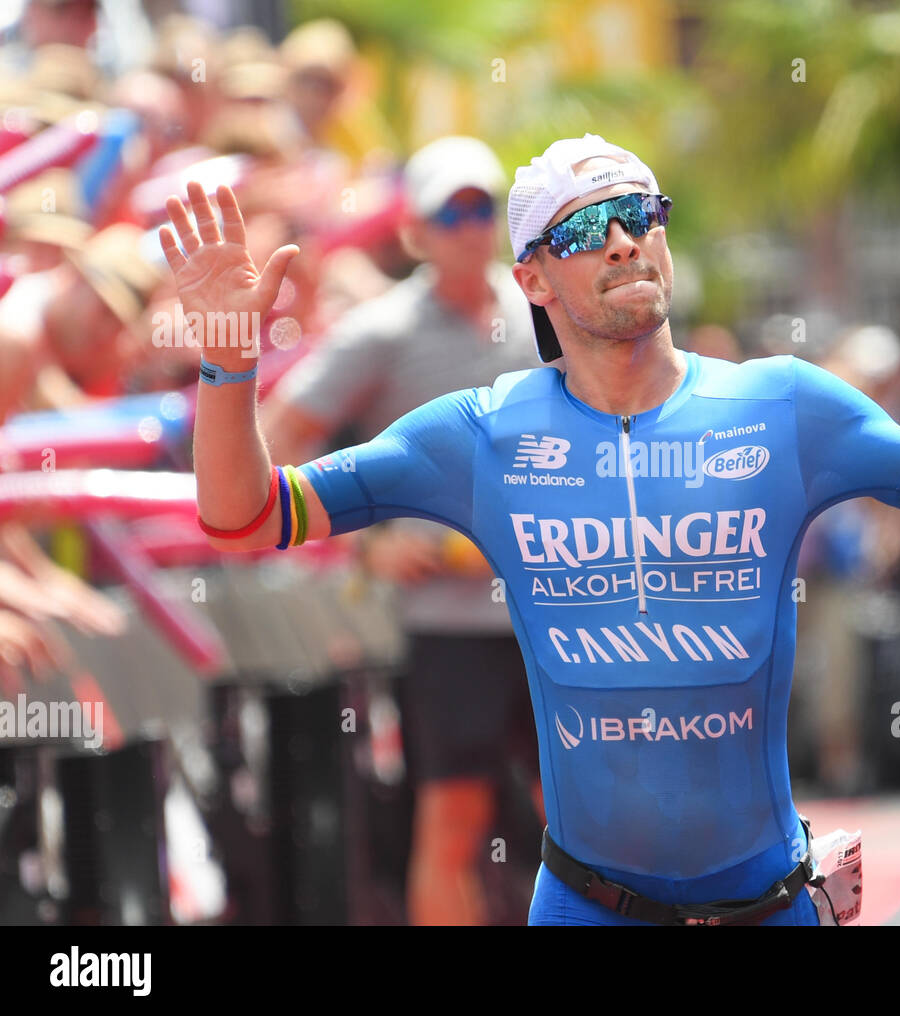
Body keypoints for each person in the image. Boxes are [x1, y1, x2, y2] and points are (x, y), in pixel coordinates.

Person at [162, 133, 900, 926]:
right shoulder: (480, 434)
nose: (625, 238)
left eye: (642, 213)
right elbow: (244, 514)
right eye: (587, 227)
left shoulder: (786, 407)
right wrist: (227, 368)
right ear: (534, 277)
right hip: (589, 906)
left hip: (768, 905)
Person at [259, 136, 545, 926]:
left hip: (558, 606)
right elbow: (276, 440)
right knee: (453, 823)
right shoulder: (379, 331)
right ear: (415, 230)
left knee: (584, 816)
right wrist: (364, 539)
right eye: (449, 211)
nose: (468, 225)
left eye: (482, 207)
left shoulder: (544, 315)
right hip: (447, 625)